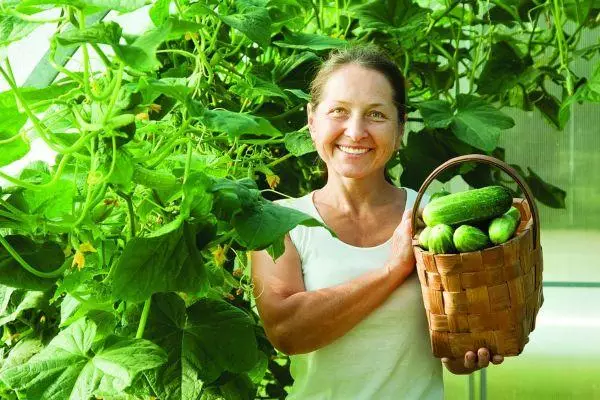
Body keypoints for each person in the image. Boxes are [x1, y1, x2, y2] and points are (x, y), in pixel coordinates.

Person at [250, 44, 503, 400]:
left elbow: (457, 340)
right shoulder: (278, 223)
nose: (355, 132)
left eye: (376, 115)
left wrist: (466, 351)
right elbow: (287, 331)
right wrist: (392, 270)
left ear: (399, 127)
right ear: (312, 119)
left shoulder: (435, 217)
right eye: (338, 111)